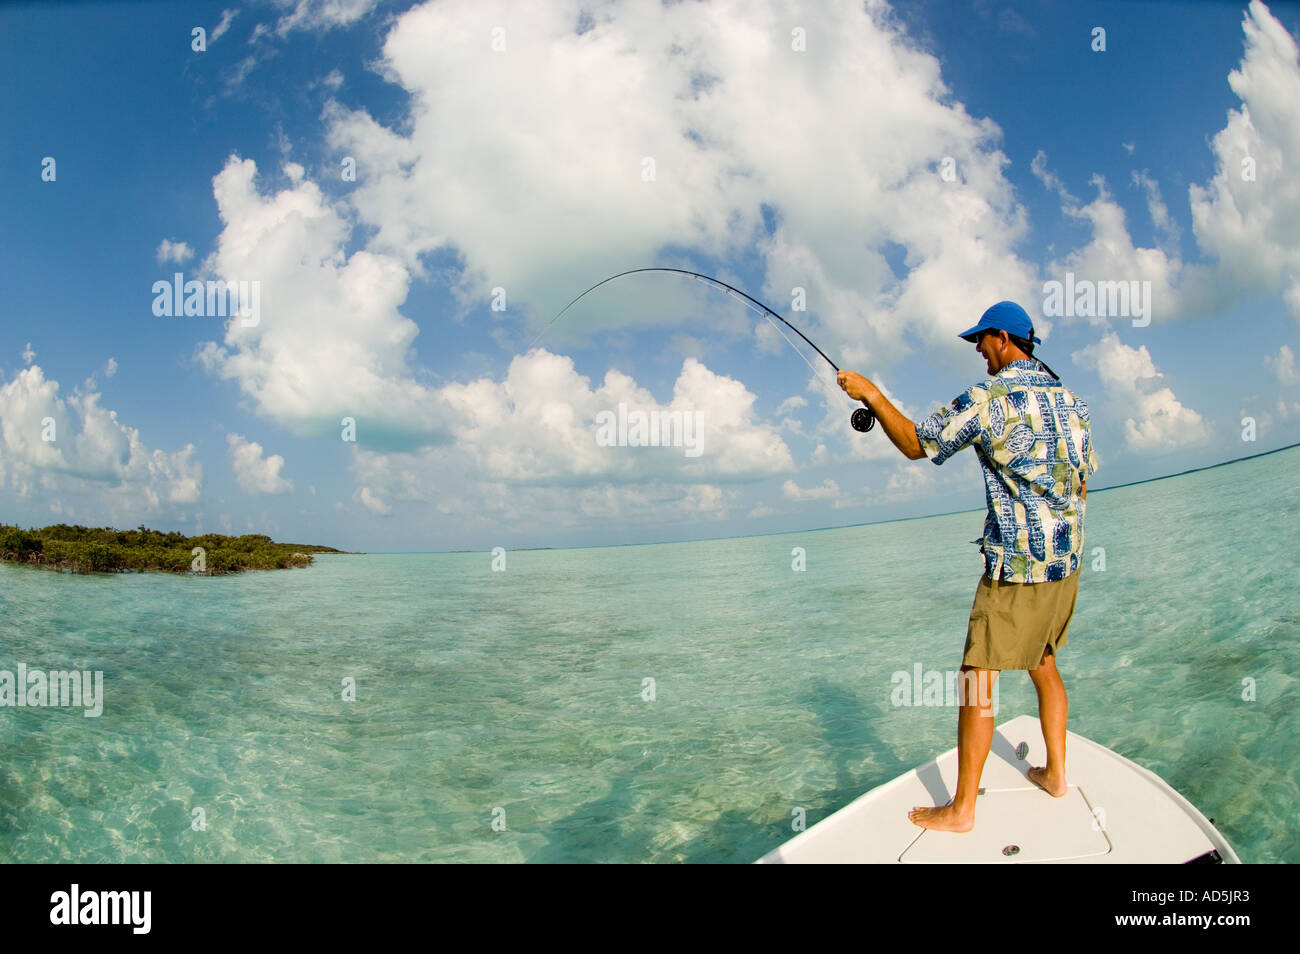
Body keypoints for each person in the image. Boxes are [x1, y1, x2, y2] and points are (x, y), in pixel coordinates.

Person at [837, 301, 1098, 833]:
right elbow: (1082, 483)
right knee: (1042, 659)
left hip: (1017, 571)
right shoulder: (1074, 402)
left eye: (981, 341)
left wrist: (872, 394)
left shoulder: (988, 399)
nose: (978, 351)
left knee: (977, 679)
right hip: (1066, 563)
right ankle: (1056, 774)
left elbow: (916, 444)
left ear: (1004, 338)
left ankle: (962, 810)